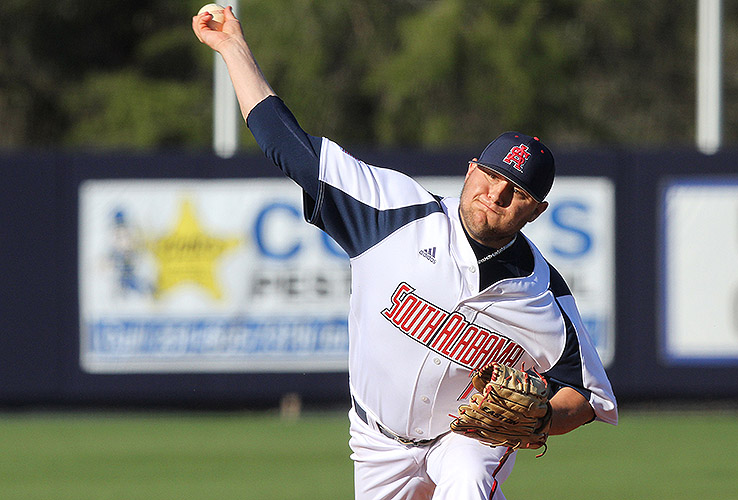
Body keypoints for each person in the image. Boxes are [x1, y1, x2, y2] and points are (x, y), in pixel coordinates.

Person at [193, 7, 617, 500]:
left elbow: (587, 397)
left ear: (537, 210)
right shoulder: (393, 212)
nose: (495, 195)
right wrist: (232, 47)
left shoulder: (542, 293)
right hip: (377, 441)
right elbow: (281, 140)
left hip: (468, 437)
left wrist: (544, 416)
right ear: (470, 169)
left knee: (467, 476)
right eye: (492, 176)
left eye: (516, 192)